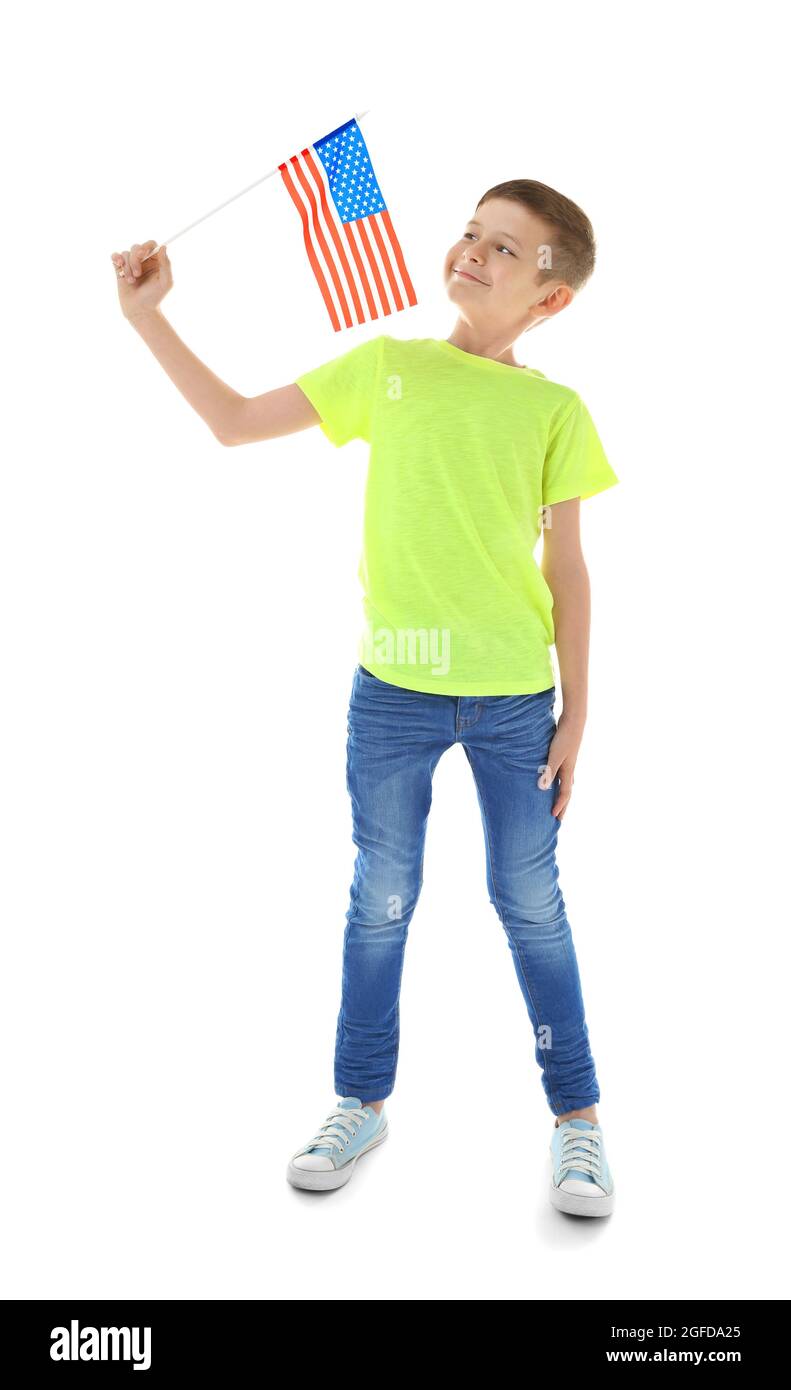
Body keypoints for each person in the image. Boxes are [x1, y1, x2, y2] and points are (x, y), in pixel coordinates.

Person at [110, 177, 618, 1216]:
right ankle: (360, 1100)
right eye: (471, 233)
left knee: (528, 903)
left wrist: (577, 712)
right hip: (391, 697)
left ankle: (577, 1124)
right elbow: (235, 421)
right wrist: (147, 315)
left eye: (506, 251)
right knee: (379, 901)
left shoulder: (554, 411)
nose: (473, 252)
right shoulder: (387, 369)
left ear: (549, 300)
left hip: (516, 703)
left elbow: (568, 570)